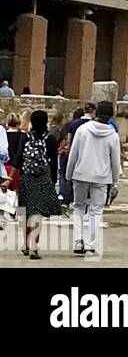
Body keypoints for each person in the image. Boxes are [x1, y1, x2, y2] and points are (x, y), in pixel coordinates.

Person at [66, 101, 121, 257]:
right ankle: (90, 244)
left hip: (81, 172)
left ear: (96, 113)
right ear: (111, 116)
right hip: (102, 176)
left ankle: (78, 240)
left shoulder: (82, 130)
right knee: (96, 211)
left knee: (78, 207)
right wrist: (115, 181)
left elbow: (73, 154)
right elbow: (115, 161)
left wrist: (68, 174)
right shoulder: (112, 135)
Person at [16, 110, 60, 259]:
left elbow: (18, 159)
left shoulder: (25, 137)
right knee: (37, 213)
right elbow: (54, 163)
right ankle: (34, 246)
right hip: (42, 178)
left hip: (26, 178)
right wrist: (53, 181)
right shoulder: (51, 140)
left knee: (25, 211)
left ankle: (26, 244)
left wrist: (10, 177)